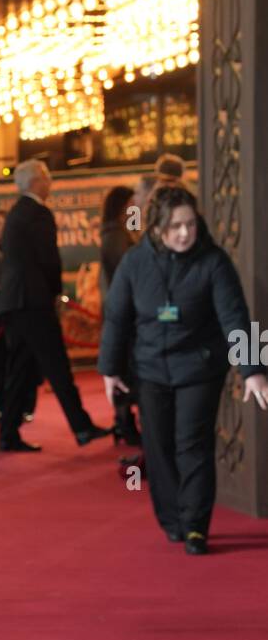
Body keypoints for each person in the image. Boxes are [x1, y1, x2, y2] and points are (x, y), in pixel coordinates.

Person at [99, 184, 268, 553]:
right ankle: (172, 517)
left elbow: (235, 318)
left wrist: (252, 368)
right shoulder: (135, 262)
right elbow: (117, 318)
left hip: (199, 368)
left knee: (193, 445)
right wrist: (109, 369)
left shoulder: (213, 261)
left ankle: (195, 525)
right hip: (150, 370)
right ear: (157, 227)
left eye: (190, 224)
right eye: (175, 226)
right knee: (158, 447)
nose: (184, 233)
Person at [0, 158, 111, 452]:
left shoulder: (15, 214)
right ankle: (82, 427)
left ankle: (8, 435)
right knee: (57, 366)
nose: (51, 183)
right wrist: (55, 294)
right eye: (47, 178)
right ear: (37, 182)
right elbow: (49, 260)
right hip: (34, 303)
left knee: (20, 371)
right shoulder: (38, 213)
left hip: (14, 302)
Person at [99, 184, 140, 445]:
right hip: (122, 310)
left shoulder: (120, 233)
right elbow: (128, 272)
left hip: (123, 309)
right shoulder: (115, 236)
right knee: (123, 368)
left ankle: (123, 421)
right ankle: (123, 422)